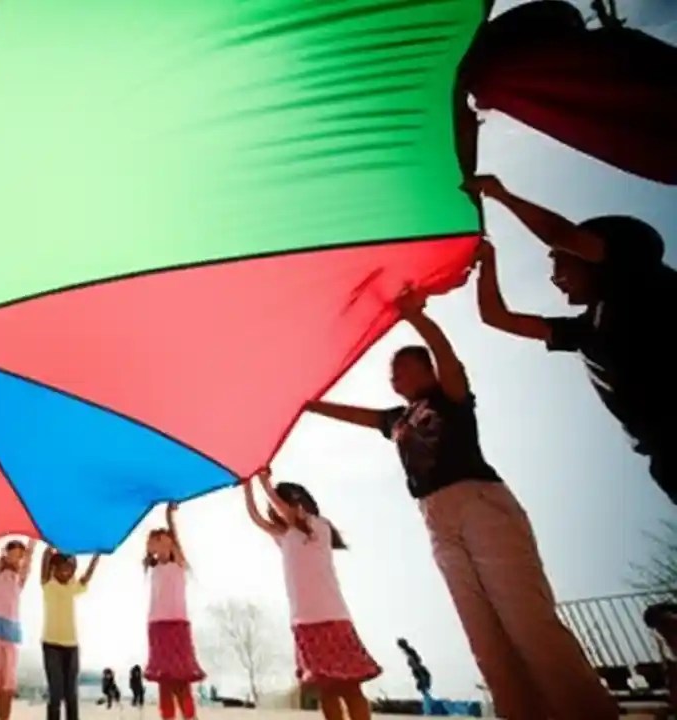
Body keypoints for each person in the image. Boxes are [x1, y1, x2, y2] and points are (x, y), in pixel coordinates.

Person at [301, 288, 617, 720]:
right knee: (482, 633)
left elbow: (447, 356)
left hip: (480, 503)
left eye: (400, 369)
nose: (393, 379)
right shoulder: (397, 418)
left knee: (526, 619)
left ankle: (585, 712)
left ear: (424, 369)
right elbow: (353, 415)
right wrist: (304, 403)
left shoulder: (448, 394)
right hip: (435, 519)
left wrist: (417, 318)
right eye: (390, 375)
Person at [467, 174, 676, 503]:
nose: (554, 278)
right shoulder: (584, 331)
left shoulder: (637, 269)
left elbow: (560, 234)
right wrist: (487, 262)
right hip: (667, 455)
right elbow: (497, 318)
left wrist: (501, 195)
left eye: (559, 260)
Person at [242, 467, 378, 720]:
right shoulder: (284, 536)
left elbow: (286, 512)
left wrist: (265, 483)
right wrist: (248, 487)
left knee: (350, 686)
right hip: (304, 623)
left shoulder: (319, 527)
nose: (286, 508)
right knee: (326, 689)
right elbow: (257, 518)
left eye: (290, 502)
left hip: (332, 617)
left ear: (303, 503)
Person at [144, 503, 204, 720]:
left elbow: (176, 542)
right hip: (157, 628)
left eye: (163, 540)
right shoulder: (154, 568)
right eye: (155, 542)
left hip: (177, 626)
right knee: (164, 682)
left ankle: (190, 716)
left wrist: (169, 517)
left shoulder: (178, 564)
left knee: (181, 680)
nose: (159, 545)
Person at [0, 538, 37, 720]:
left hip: (11, 631)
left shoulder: (19, 578)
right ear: (7, 553)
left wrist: (32, 540)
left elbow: (29, 558)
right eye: (15, 552)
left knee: (8, 682)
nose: (18, 556)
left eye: (21, 554)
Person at [41, 546, 101, 720]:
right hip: (51, 644)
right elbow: (46, 559)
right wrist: (50, 545)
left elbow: (87, 577)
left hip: (72, 646)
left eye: (70, 568)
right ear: (54, 569)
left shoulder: (72, 587)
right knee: (56, 692)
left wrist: (96, 557)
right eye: (63, 568)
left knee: (71, 694)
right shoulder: (48, 585)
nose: (66, 572)